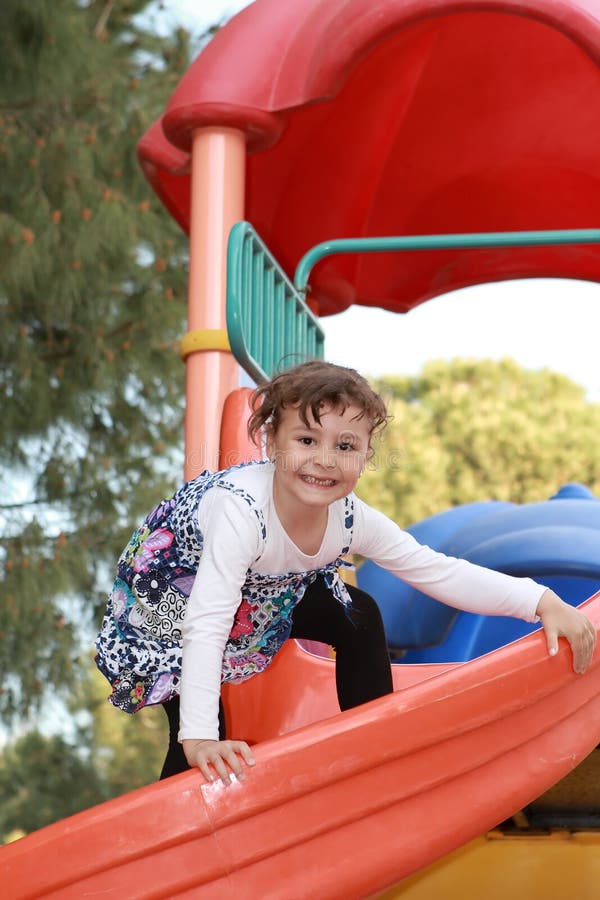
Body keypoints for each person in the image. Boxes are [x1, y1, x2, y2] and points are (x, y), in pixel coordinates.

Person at [94, 360, 597, 786]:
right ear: (271, 441)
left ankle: (372, 742)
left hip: (267, 586)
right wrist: (202, 734)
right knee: (198, 732)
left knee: (357, 615)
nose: (324, 461)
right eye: (307, 439)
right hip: (175, 596)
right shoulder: (240, 511)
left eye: (345, 446)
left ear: (366, 454)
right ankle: (175, 822)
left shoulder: (350, 518)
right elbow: (206, 620)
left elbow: (436, 571)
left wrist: (541, 601)